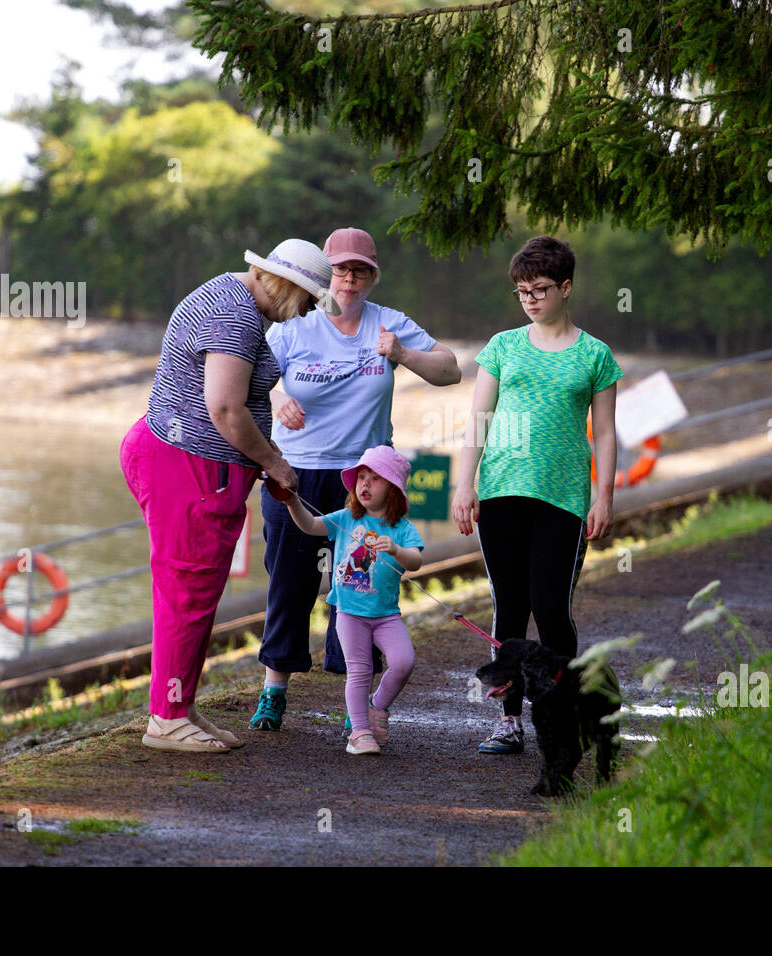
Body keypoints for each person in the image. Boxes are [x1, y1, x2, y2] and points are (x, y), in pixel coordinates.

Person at [120, 239, 340, 753]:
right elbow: (225, 409)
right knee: (188, 592)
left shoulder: (232, 299)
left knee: (195, 593)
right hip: (187, 466)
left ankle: (179, 706)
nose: (307, 311)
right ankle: (167, 719)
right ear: (290, 286)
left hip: (186, 460)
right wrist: (273, 462)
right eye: (308, 299)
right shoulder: (235, 314)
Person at [249, 227, 459, 733]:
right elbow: (256, 376)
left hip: (365, 480)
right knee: (290, 582)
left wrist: (403, 355)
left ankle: (356, 702)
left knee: (362, 585)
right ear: (325, 274)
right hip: (295, 471)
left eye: (359, 270)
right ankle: (275, 691)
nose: (349, 279)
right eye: (340, 269)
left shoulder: (388, 323)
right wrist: (278, 399)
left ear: (372, 277)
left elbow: (450, 370)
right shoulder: (297, 322)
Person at [451, 235, 623, 756]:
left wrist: (604, 496)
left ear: (566, 288)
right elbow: (478, 419)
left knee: (552, 610)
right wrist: (464, 483)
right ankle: (508, 721)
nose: (530, 298)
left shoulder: (596, 354)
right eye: (522, 290)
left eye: (540, 288)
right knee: (509, 605)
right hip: (501, 490)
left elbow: (609, 432)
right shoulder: (503, 346)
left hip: (564, 498)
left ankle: (560, 714)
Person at [281, 446, 424, 755]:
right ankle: (358, 733)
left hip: (386, 614)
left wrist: (397, 551)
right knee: (359, 670)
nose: (365, 485)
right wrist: (292, 501)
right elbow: (310, 525)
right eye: (361, 477)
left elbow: (415, 561)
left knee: (403, 662)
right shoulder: (346, 517)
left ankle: (378, 706)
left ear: (394, 489)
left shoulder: (402, 528)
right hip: (349, 613)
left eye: (375, 478)